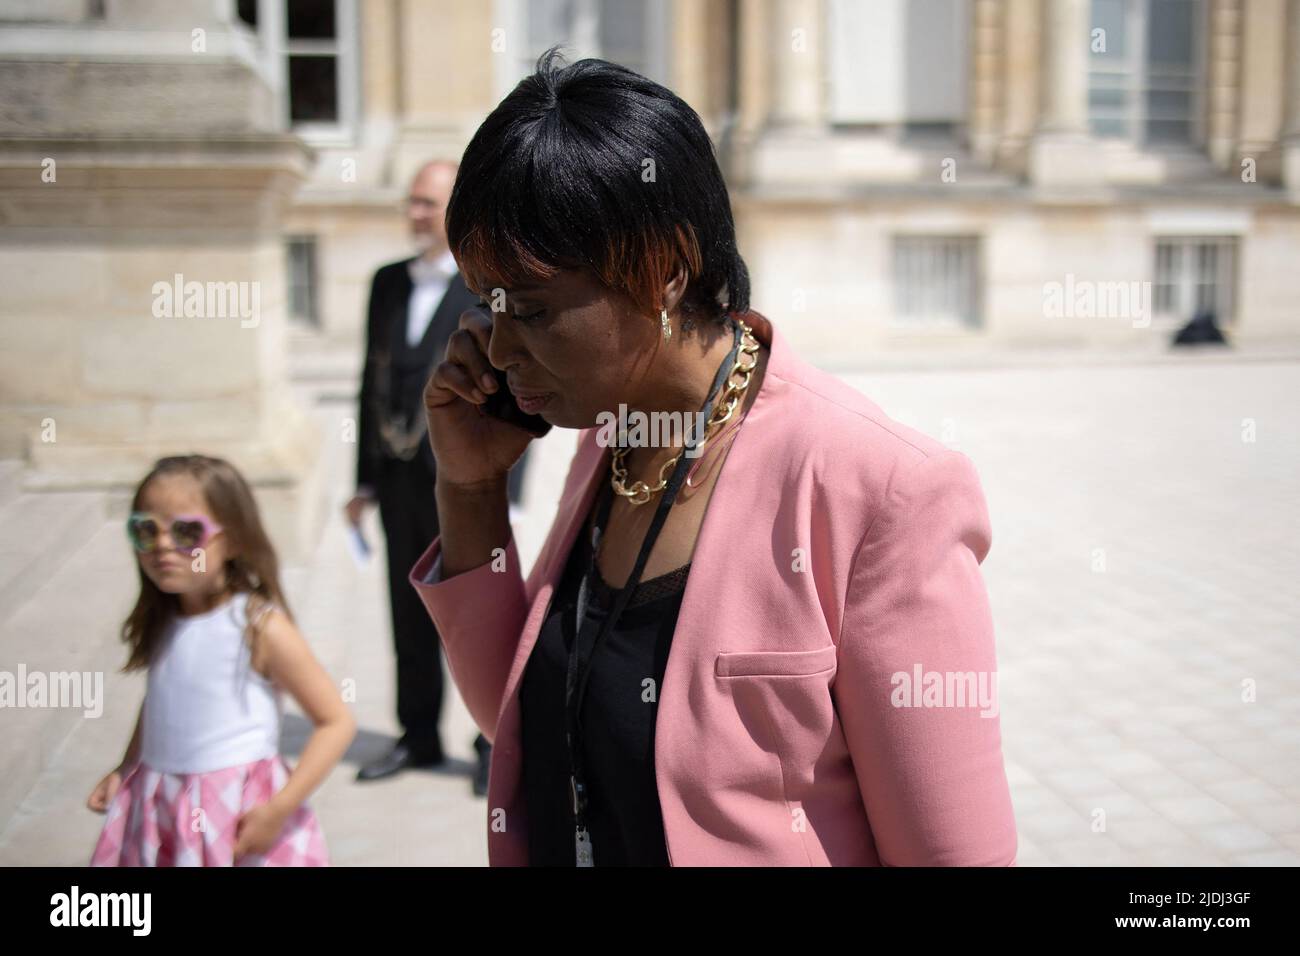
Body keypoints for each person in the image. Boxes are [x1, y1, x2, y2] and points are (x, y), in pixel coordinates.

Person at [410, 48, 1019, 866]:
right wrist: (471, 486)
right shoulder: (613, 436)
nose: (499, 345)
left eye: (533, 308)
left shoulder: (880, 491)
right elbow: (524, 730)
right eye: (487, 304)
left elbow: (955, 856)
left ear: (663, 269)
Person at [87, 454, 355, 866]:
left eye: (186, 531)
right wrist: (126, 768)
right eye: (145, 530)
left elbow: (336, 722)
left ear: (232, 539)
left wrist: (279, 810)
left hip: (233, 814)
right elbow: (162, 700)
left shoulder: (259, 627)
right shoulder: (166, 618)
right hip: (162, 804)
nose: (162, 545)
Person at [348, 159, 521, 791]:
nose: (416, 214)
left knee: (470, 612)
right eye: (413, 202)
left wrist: (514, 491)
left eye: (428, 204)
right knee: (404, 612)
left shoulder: (485, 290)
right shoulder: (386, 282)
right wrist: (363, 479)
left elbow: (511, 390)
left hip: (463, 482)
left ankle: (487, 747)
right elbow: (370, 380)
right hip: (397, 478)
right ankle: (416, 736)